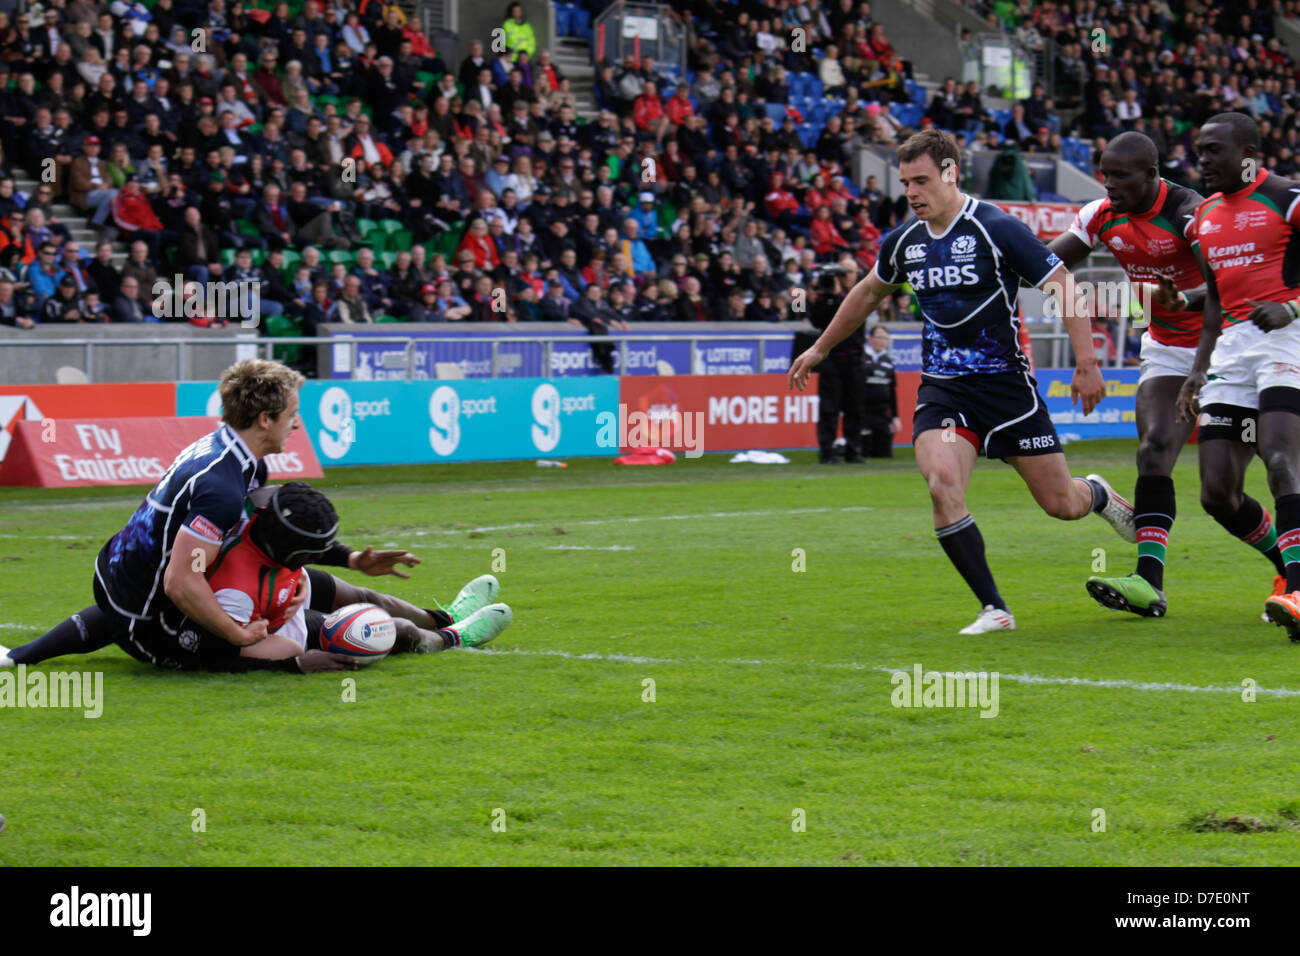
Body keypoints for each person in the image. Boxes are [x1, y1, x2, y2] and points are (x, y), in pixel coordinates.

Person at [788, 129, 1135, 635]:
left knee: (1062, 505)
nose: (911, 192)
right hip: (945, 390)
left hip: (1008, 392)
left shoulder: (996, 228)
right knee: (942, 483)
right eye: (905, 182)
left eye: (921, 180)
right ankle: (994, 608)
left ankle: (1099, 495)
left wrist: (1086, 362)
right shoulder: (905, 242)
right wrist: (821, 347)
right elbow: (866, 293)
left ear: (950, 174)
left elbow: (1063, 283)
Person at [0, 360, 416, 670]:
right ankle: (439, 636)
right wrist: (239, 633)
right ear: (265, 418)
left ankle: (17, 657)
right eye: (291, 414)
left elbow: (274, 535)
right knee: (301, 650)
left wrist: (350, 559)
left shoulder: (235, 454)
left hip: (121, 580)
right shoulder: (221, 484)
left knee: (314, 591)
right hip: (150, 615)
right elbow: (181, 582)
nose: (297, 424)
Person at [1044, 132, 1206, 618]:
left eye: (1120, 175)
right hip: (1167, 347)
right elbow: (1047, 262)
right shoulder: (1101, 214)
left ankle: (1287, 571)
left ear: (1151, 175)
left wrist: (1188, 299)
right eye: (1105, 173)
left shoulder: (1188, 212)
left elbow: (1226, 282)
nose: (1109, 184)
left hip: (1231, 343)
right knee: (1154, 449)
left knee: (1229, 486)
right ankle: (1147, 582)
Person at [108, 482, 513, 672]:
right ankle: (454, 637)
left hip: (280, 580)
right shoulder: (236, 593)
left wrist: (352, 558)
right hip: (277, 619)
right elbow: (227, 655)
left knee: (368, 595)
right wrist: (299, 664)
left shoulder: (255, 510)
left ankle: (445, 616)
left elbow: (95, 621)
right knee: (392, 629)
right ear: (294, 552)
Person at [1174, 113, 1300, 637]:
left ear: (1249, 151)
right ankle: (1285, 566)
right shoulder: (1203, 218)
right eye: (1199, 151)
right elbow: (1216, 302)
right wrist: (1195, 370)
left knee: (1278, 455)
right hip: (1231, 351)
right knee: (1215, 493)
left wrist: (1294, 310)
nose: (1202, 160)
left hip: (1287, 340)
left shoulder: (1288, 198)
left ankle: (1298, 588)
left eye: (1213, 151)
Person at [807, 257, 866, 463]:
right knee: (829, 408)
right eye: (842, 272)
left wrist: (838, 295)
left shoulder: (861, 292)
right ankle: (827, 450)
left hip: (855, 358)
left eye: (848, 272)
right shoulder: (827, 296)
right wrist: (825, 296)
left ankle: (854, 449)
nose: (845, 276)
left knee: (855, 408)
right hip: (831, 359)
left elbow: (853, 314)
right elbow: (814, 320)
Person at [861, 325, 900, 458]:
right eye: (879, 337)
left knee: (885, 454)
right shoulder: (861, 358)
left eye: (885, 338)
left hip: (882, 413)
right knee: (864, 451)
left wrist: (895, 416)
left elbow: (892, 391)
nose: (882, 341)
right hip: (863, 412)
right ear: (870, 338)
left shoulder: (888, 361)